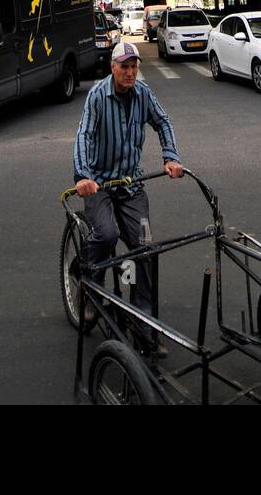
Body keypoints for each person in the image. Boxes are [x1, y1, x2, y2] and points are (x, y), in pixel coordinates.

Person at [73, 39, 183, 356]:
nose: (130, 72)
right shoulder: (97, 96)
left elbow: (163, 121)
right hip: (99, 184)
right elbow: (84, 136)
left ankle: (143, 323)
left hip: (131, 184)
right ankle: (89, 288)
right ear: (113, 68)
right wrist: (83, 177)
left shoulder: (142, 94)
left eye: (134, 67)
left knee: (145, 247)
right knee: (106, 235)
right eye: (125, 67)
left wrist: (170, 156)